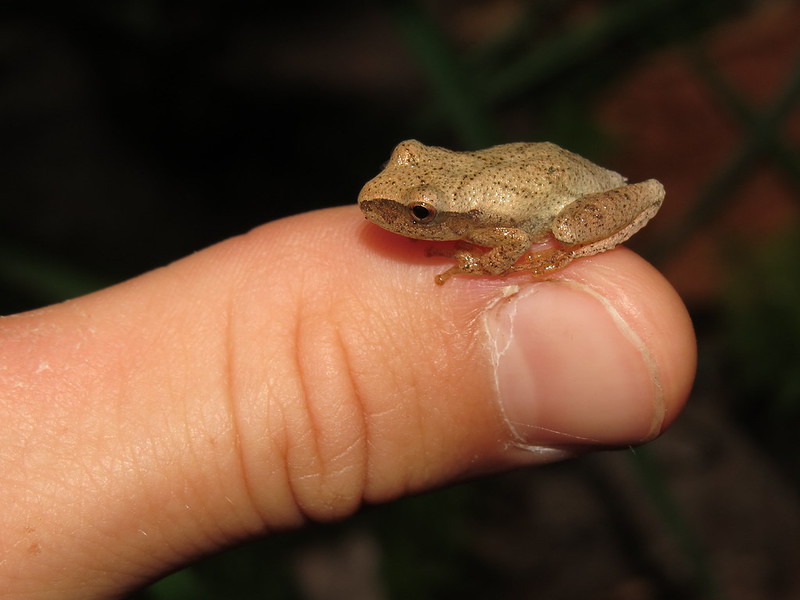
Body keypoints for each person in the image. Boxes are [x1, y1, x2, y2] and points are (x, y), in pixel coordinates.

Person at [0, 206, 696, 598]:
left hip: (560, 205)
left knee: (557, 237)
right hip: (511, 181)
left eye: (419, 214)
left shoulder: (488, 223)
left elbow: (514, 239)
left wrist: (482, 263)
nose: (391, 211)